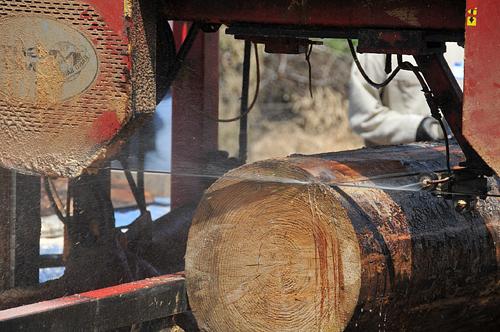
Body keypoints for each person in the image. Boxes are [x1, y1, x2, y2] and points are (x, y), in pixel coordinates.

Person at [348, 43, 464, 146]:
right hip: (394, 165)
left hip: (458, 160)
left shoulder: (463, 42)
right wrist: (425, 129)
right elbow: (364, 118)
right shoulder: (378, 45)